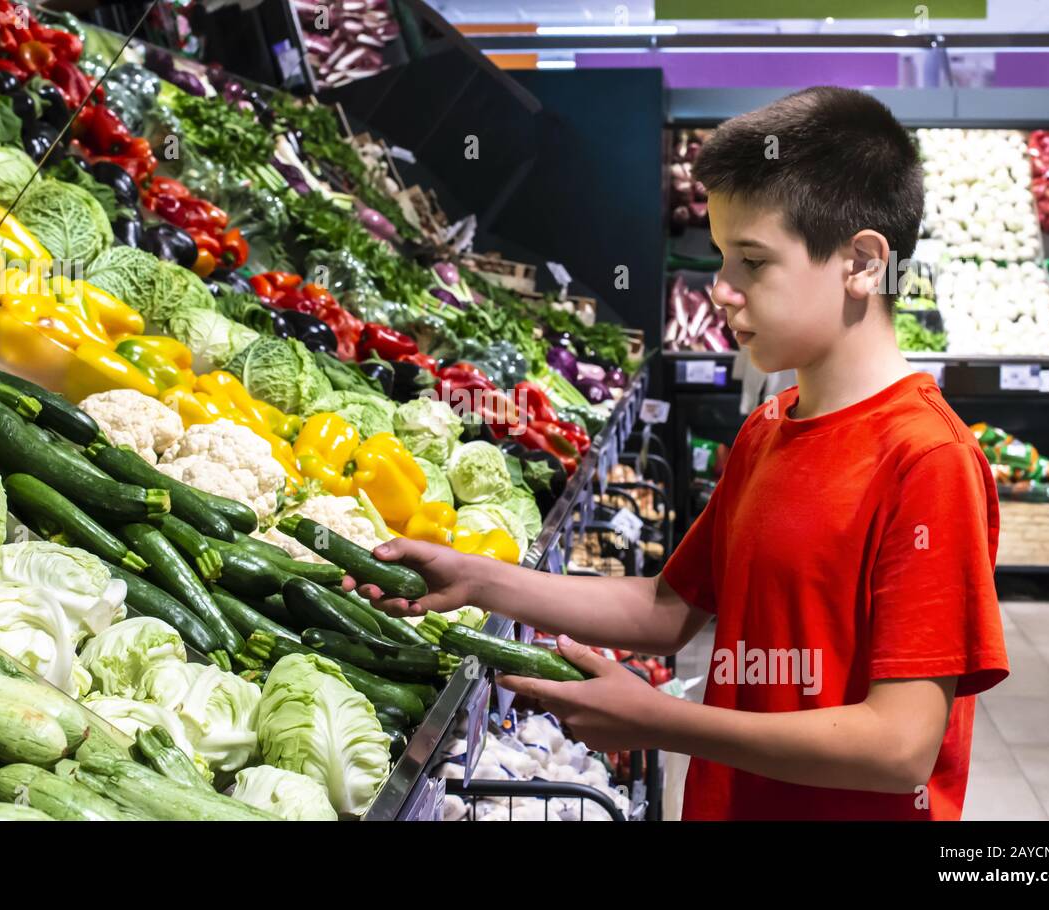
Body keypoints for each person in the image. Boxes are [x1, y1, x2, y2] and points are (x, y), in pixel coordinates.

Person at [346, 86, 1009, 821]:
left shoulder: (928, 461)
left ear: (861, 262)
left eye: (753, 262)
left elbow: (899, 748)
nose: (721, 290)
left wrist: (658, 719)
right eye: (721, 257)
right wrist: (475, 579)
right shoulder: (767, 430)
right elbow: (669, 608)